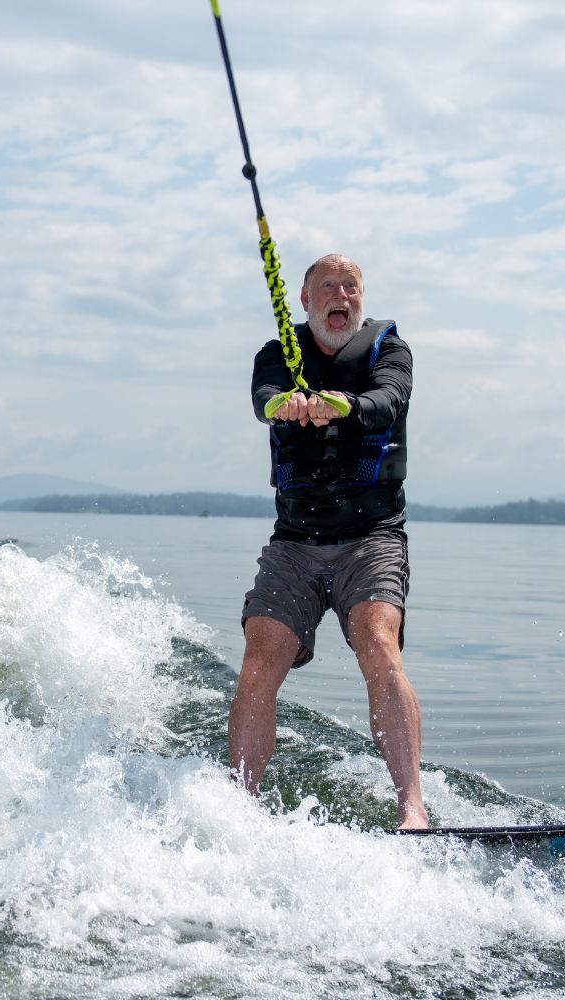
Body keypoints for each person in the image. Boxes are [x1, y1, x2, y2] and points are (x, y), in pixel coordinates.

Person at [230, 252, 427, 829]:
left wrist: (346, 405)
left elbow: (389, 399)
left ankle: (412, 805)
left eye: (352, 286)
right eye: (328, 286)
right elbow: (261, 396)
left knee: (378, 643)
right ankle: (240, 806)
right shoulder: (277, 355)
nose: (342, 294)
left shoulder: (390, 350)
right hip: (294, 540)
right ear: (307, 300)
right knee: (261, 652)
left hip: (370, 537)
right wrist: (280, 404)